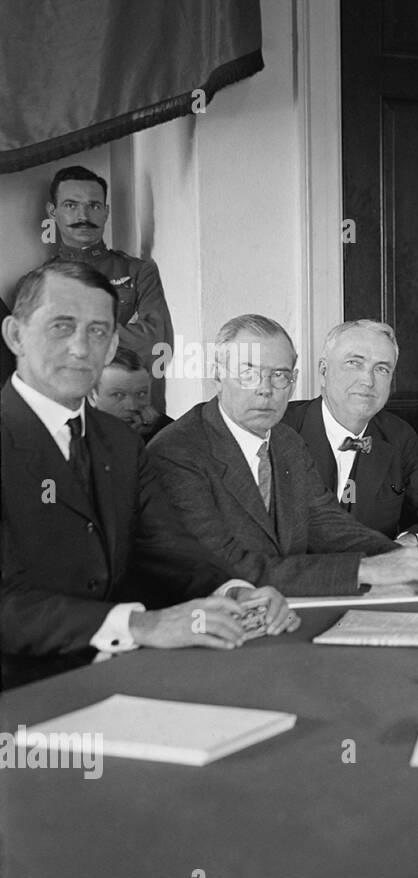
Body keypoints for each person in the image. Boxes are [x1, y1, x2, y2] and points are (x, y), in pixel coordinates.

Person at [0, 263, 296, 689]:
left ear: (113, 345)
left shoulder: (121, 442)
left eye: (99, 331)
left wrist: (233, 593)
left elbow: (169, 551)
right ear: (15, 335)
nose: (82, 348)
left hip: (131, 677)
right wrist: (142, 625)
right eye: (62, 326)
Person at [148, 315, 418, 596]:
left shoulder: (285, 441)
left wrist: (402, 557)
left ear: (293, 380)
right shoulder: (177, 451)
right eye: (248, 373)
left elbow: (328, 524)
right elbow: (224, 566)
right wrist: (364, 569)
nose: (266, 389)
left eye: (280, 375)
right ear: (217, 375)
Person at [281, 319, 418, 541]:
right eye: (354, 363)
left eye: (382, 369)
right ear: (323, 371)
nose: (368, 380)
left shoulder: (396, 435)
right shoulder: (278, 428)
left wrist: (411, 542)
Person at [43, 165, 173, 413]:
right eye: (71, 205)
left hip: (137, 416)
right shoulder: (39, 282)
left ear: (106, 212)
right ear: (53, 212)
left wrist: (76, 336)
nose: (84, 215)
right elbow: (44, 356)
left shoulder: (139, 271)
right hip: (69, 417)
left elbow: (156, 343)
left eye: (94, 205)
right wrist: (119, 335)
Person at [88, 348, 172, 442]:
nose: (132, 406)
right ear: (92, 396)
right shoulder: (74, 435)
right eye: (118, 395)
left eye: (141, 394)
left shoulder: (169, 433)